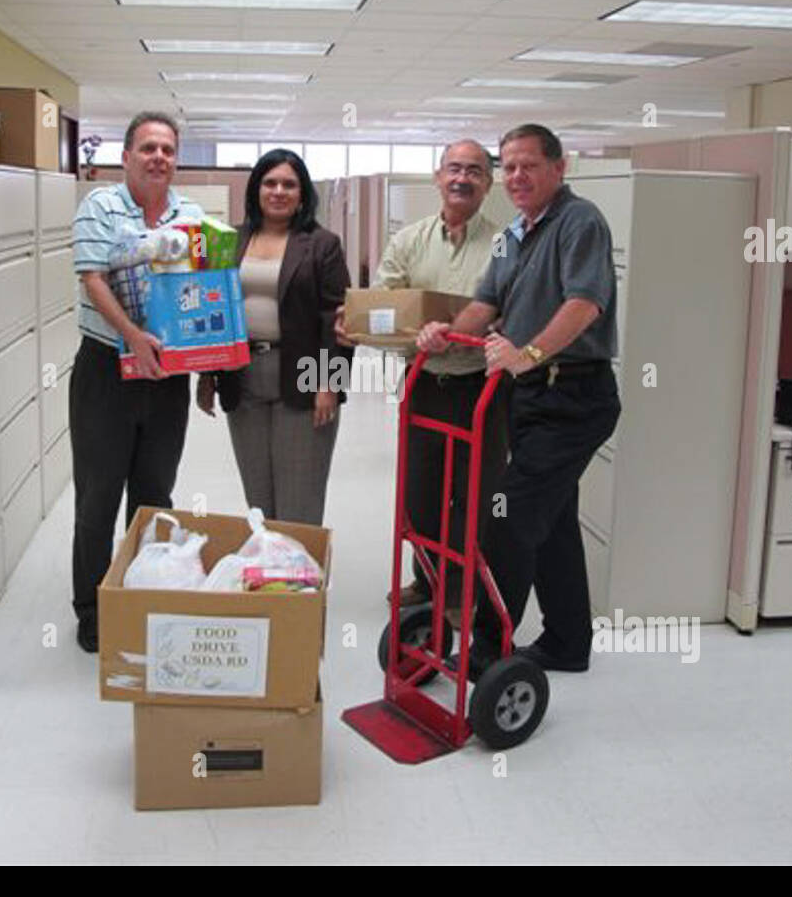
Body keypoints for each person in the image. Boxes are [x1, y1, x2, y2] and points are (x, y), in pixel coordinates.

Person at [418, 123, 621, 675]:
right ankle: (567, 642)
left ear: (560, 168)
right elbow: (486, 302)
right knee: (552, 523)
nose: (517, 176)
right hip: (530, 398)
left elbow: (585, 304)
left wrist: (527, 353)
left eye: (529, 164)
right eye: (508, 166)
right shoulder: (515, 233)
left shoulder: (580, 221)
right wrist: (443, 335)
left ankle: (486, 649)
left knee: (507, 518)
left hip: (575, 397)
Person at [334, 139, 508, 611]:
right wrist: (356, 322)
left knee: (472, 494)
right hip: (424, 381)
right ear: (438, 176)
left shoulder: (505, 243)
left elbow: (512, 311)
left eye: (474, 171)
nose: (462, 179)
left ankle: (457, 590)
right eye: (454, 168)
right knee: (421, 491)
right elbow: (383, 299)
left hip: (481, 387)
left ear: (488, 184)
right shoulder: (409, 240)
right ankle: (427, 578)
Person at [69, 112, 203, 652]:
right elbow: (92, 275)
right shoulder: (100, 206)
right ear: (126, 157)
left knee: (154, 495)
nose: (158, 157)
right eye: (148, 147)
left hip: (166, 377)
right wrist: (133, 334)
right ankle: (93, 611)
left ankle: (142, 595)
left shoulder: (189, 213)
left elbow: (203, 286)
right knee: (98, 496)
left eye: (168, 149)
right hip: (107, 368)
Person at [196, 149, 352, 525]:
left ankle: (299, 580)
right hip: (242, 374)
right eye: (270, 182)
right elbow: (212, 313)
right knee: (259, 499)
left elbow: (338, 319)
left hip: (302, 374)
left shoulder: (322, 244)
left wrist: (327, 383)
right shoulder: (230, 239)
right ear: (256, 189)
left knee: (300, 500)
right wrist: (207, 375)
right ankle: (269, 576)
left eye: (289, 184)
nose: (278, 191)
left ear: (302, 194)